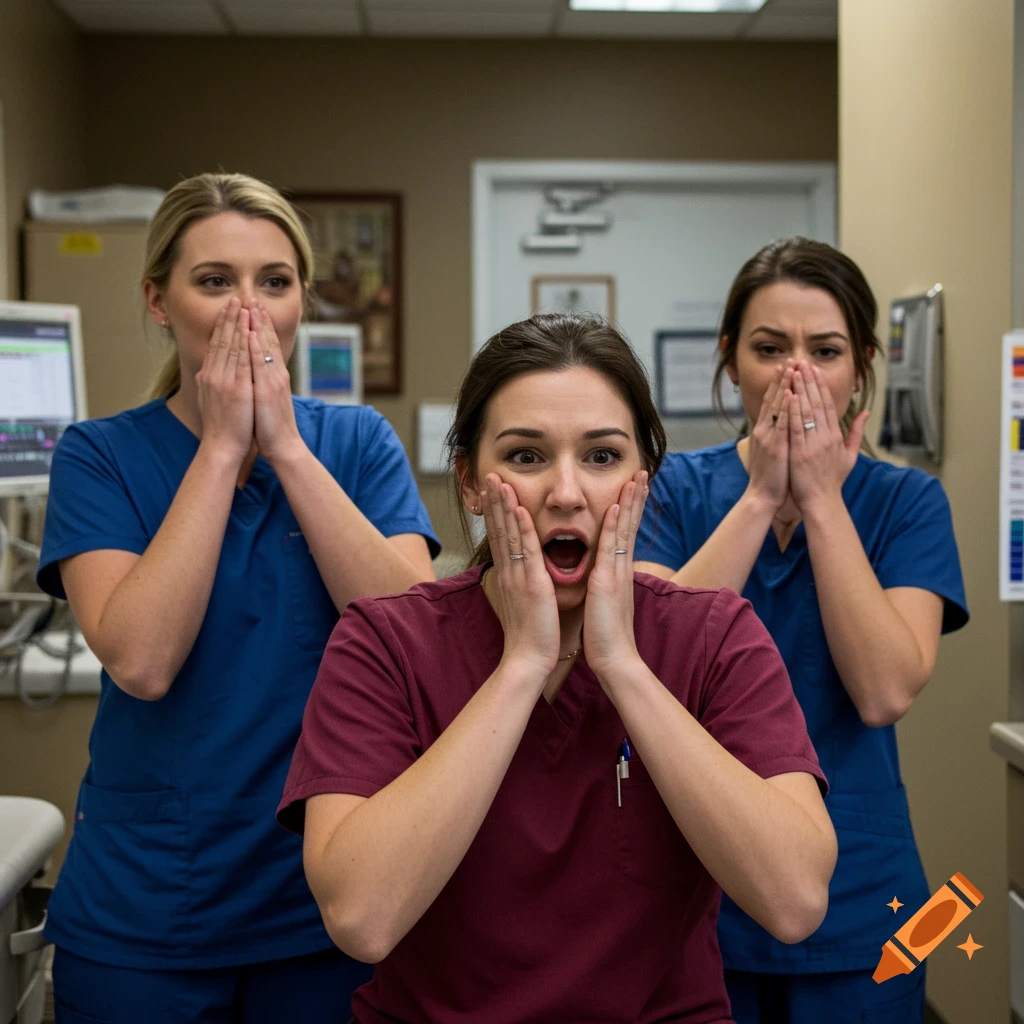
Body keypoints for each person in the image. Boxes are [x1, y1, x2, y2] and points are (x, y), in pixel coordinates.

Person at [278, 313, 838, 1024]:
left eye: (602, 458)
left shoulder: (714, 636)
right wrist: (522, 664)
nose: (566, 492)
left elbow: (793, 901)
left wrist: (621, 664)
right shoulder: (385, 643)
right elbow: (361, 919)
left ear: (645, 480)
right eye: (526, 456)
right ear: (470, 482)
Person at [36, 172, 440, 1023]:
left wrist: (286, 449)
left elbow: (418, 641)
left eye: (275, 283)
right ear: (158, 301)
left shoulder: (356, 443)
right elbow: (142, 661)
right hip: (151, 910)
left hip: (325, 901)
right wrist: (222, 449)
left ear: (303, 303)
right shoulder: (98, 457)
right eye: (215, 281)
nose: (247, 310)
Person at [635, 238, 969, 1024]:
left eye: (824, 350)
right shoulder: (672, 492)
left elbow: (886, 690)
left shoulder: (908, 504)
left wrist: (821, 501)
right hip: (693, 888)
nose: (797, 375)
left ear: (862, 366)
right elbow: (652, 667)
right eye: (768, 348)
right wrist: (759, 499)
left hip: (865, 898)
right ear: (730, 361)